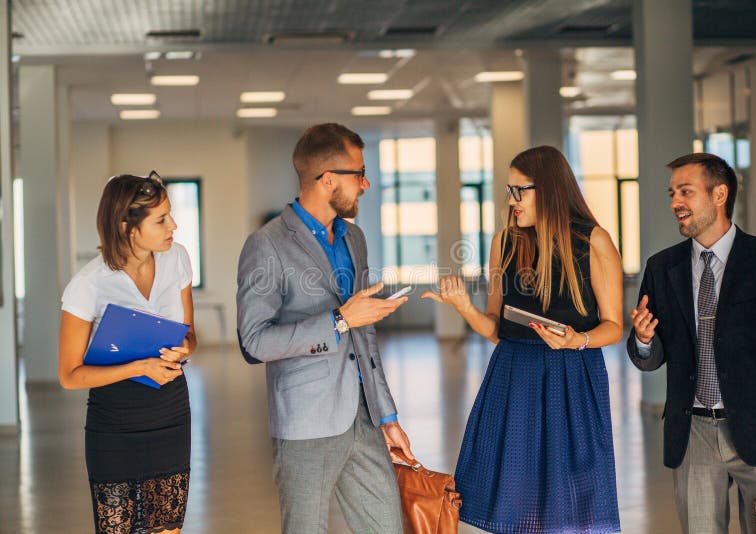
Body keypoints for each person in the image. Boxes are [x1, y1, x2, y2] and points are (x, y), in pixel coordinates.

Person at [423, 145, 623, 533]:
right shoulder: (505, 241)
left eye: (521, 191)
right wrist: (464, 306)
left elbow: (613, 326)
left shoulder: (594, 241)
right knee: (511, 493)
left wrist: (576, 340)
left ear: (549, 190)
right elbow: (497, 329)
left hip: (571, 374)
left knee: (567, 499)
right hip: (513, 374)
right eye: (509, 191)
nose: (511, 200)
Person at [236, 123, 414, 533]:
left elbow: (364, 334)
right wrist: (338, 321)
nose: (366, 184)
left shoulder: (355, 238)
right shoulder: (267, 245)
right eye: (359, 173)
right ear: (327, 179)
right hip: (305, 422)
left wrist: (386, 415)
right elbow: (253, 341)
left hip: (364, 418)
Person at [627, 152, 756, 534]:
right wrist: (643, 339)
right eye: (672, 193)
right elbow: (651, 356)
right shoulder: (662, 267)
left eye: (685, 192)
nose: (675, 202)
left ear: (719, 194)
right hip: (693, 435)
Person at [58, 171, 196, 534]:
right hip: (115, 425)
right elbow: (69, 375)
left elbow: (190, 336)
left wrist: (183, 349)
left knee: (166, 529)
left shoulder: (177, 258)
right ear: (126, 227)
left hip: (171, 413)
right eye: (162, 219)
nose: (174, 225)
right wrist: (139, 366)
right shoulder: (88, 284)